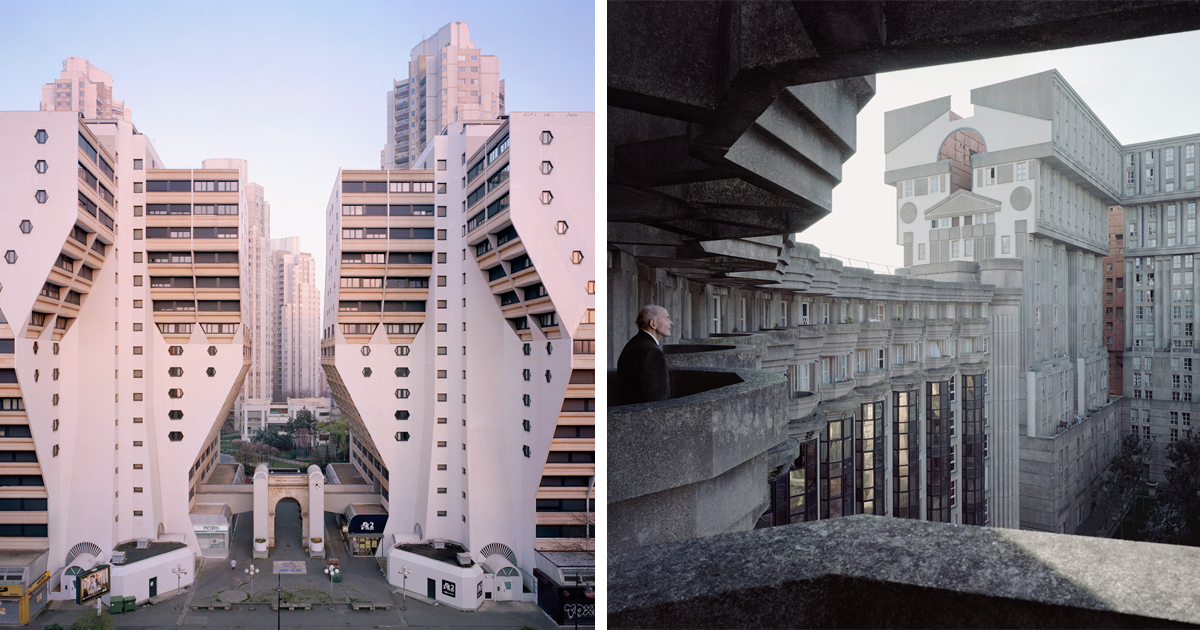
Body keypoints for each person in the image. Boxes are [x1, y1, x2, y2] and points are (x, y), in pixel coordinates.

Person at [617, 305, 673, 404]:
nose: (671, 323)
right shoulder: (651, 351)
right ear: (653, 323)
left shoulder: (635, 343)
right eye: (667, 318)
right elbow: (657, 398)